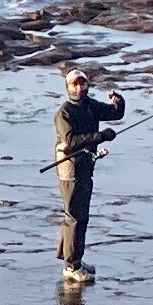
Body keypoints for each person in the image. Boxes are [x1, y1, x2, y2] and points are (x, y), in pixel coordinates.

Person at [52, 65, 128, 284]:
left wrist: (118, 102)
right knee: (75, 216)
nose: (79, 87)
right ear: (67, 87)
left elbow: (114, 114)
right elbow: (70, 143)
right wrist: (100, 136)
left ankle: (72, 258)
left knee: (79, 215)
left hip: (85, 165)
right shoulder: (64, 113)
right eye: (74, 84)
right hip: (70, 168)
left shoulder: (89, 105)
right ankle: (71, 266)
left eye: (82, 83)